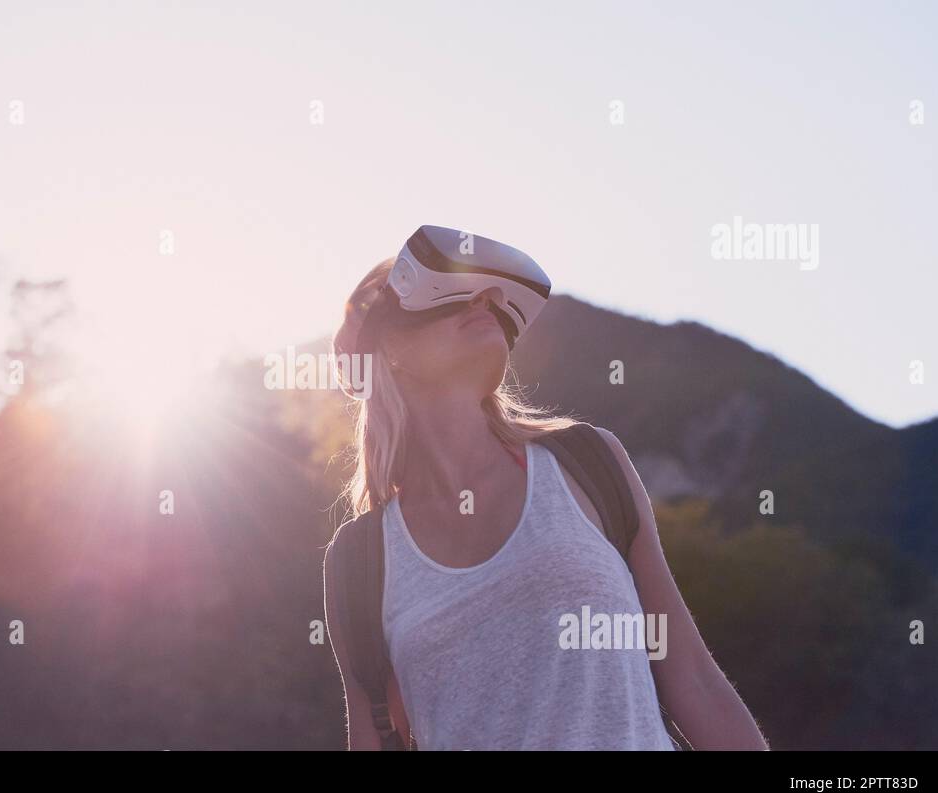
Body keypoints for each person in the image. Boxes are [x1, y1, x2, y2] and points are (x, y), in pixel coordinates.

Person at [324, 234, 768, 750]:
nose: (482, 303)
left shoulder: (589, 463)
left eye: (487, 295)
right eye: (450, 296)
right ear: (391, 349)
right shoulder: (361, 561)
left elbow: (692, 677)